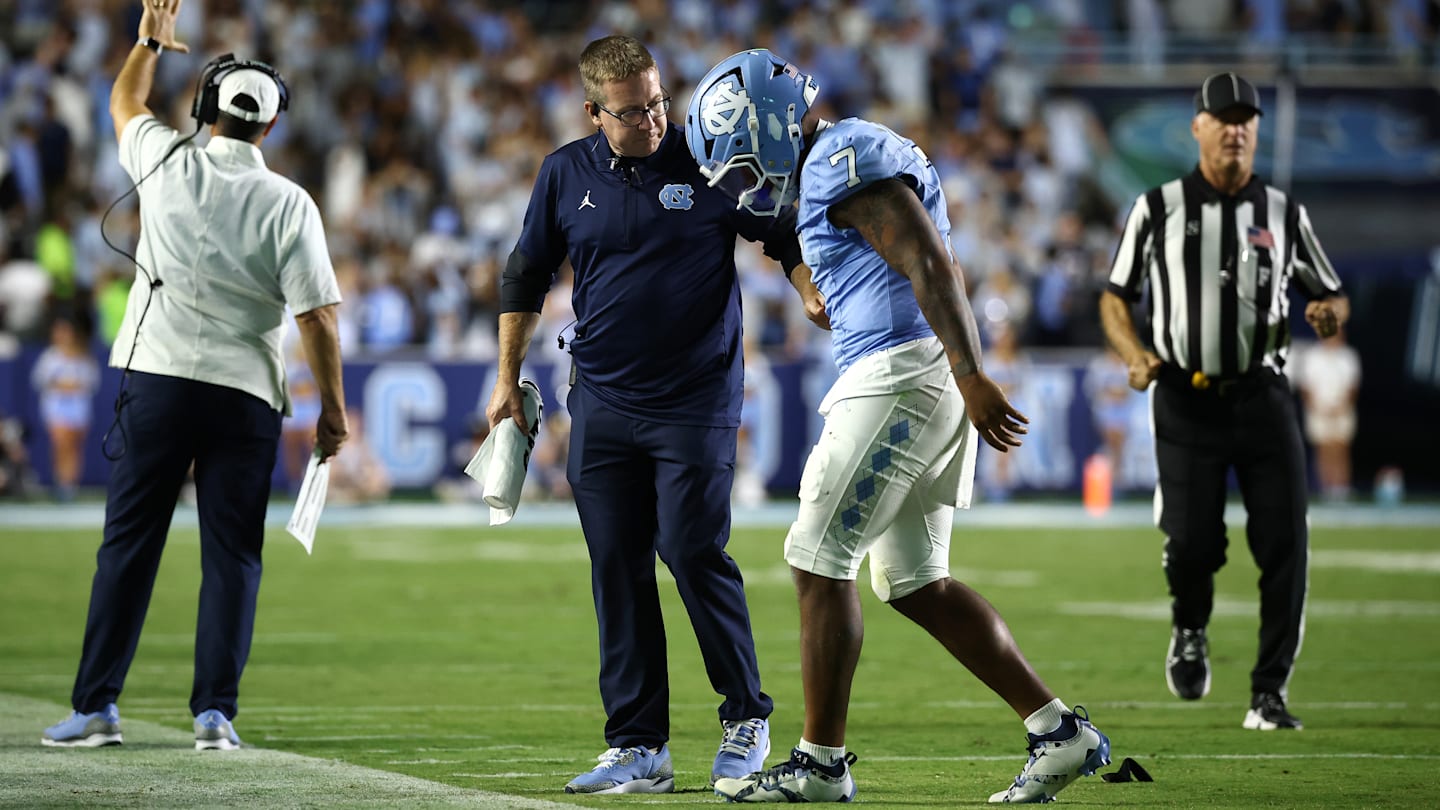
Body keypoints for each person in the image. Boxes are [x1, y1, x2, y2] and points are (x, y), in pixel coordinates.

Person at [686, 50, 1110, 804]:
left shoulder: (842, 157)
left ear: (774, 124)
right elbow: (871, 270)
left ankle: (820, 764)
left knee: (817, 557)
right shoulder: (830, 167)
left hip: (903, 371)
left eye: (749, 161)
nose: (752, 181)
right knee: (915, 582)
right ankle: (1059, 732)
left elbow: (930, 262)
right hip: (910, 366)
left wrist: (973, 370)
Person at [485, 35, 825, 795]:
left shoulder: (707, 158)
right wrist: (507, 379)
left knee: (692, 549)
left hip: (695, 399)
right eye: (634, 111)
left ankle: (747, 716)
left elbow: (783, 232)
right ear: (593, 111)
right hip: (600, 398)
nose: (654, 120)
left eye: (660, 101)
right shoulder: (563, 172)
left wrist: (805, 286)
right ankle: (639, 745)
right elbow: (525, 273)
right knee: (616, 567)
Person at [42, 0, 347, 751]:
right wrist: (334, 411)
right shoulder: (290, 202)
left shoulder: (164, 159)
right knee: (234, 557)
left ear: (206, 107)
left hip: (159, 378)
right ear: (270, 127)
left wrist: (150, 40)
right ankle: (215, 715)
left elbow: (124, 100)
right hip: (245, 393)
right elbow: (317, 318)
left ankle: (95, 708)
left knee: (129, 547)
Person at [1099, 72, 1348, 731]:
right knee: (1193, 544)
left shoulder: (1284, 212)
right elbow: (1114, 295)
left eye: (1246, 119)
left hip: (1263, 393)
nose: (1235, 129)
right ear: (1198, 128)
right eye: (1223, 117)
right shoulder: (1157, 207)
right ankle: (1190, 627)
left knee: (1286, 543)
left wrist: (1326, 311)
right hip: (1184, 394)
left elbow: (1329, 289)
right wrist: (1133, 353)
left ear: (1256, 131)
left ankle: (1269, 693)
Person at [31, 314, 100, 501]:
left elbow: (92, 381)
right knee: (61, 444)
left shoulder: (83, 356)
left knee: (74, 447)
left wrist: (73, 385)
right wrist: (62, 385)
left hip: (78, 408)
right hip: (56, 408)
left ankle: (71, 484)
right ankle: (61, 482)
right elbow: (39, 380)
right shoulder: (50, 357)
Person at [1292, 329, 1361, 501]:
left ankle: (1341, 487)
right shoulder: (1312, 356)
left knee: (1340, 447)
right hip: (1319, 410)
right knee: (1323, 449)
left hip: (1342, 409)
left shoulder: (1348, 356)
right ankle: (1327, 488)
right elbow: (1306, 386)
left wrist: (1341, 407)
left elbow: (1353, 386)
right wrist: (1317, 407)